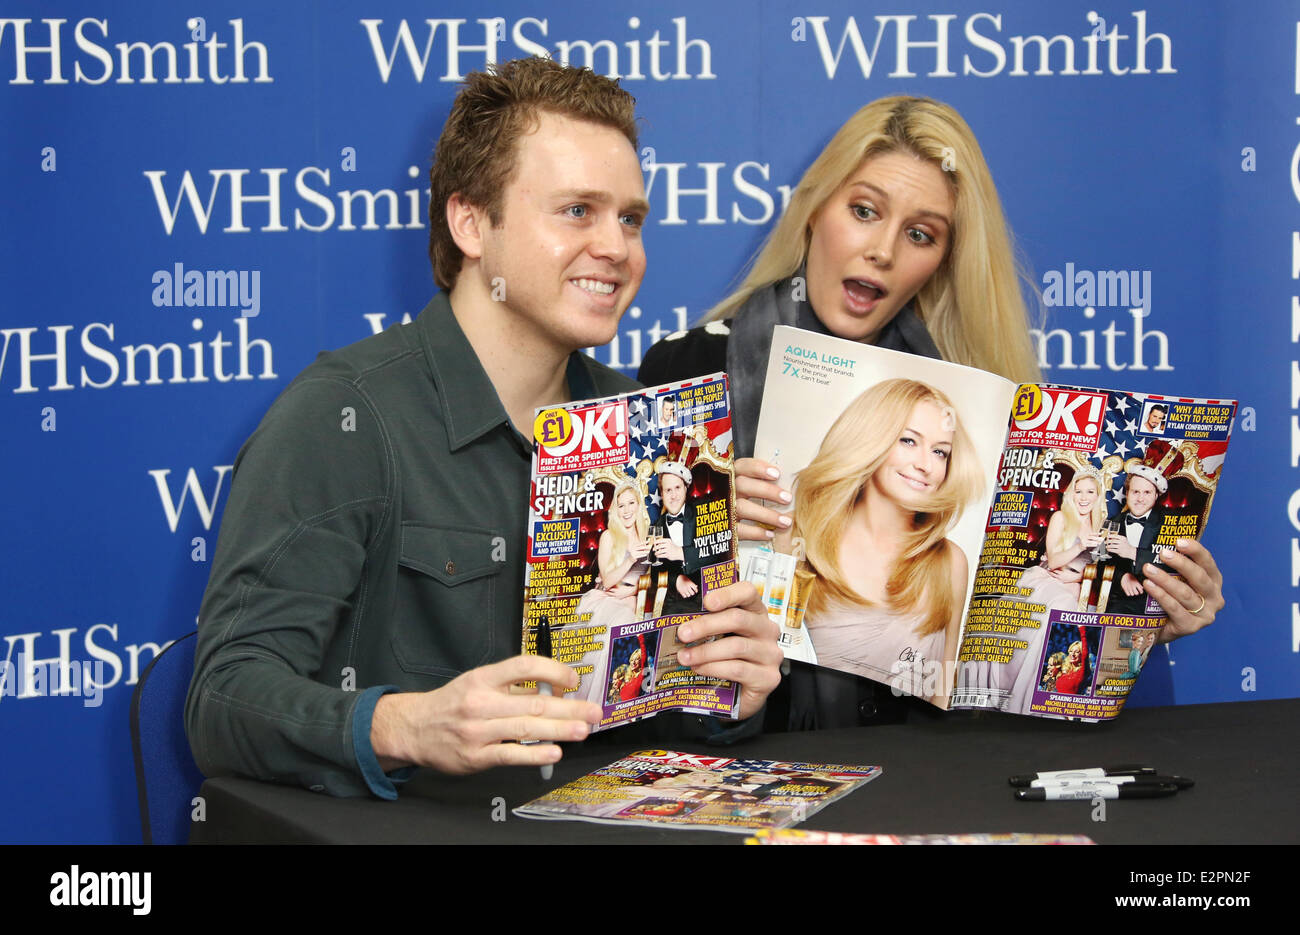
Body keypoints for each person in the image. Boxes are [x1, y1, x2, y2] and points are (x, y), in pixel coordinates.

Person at [185, 58, 781, 798]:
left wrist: (730, 692)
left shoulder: (649, 427)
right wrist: (403, 725)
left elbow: (656, 721)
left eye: (630, 218)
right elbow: (224, 700)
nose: (617, 248)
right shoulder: (344, 417)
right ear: (470, 221)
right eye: (577, 211)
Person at [638, 95, 1224, 728]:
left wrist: (1132, 630)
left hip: (931, 777)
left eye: (920, 234)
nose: (882, 251)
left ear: (943, 259)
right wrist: (710, 539)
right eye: (864, 211)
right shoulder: (688, 370)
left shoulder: (986, 404)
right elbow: (635, 660)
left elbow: (1011, 681)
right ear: (814, 210)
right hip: (747, 766)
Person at [781, 379, 982, 706]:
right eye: (908, 440)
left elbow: (941, 693)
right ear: (869, 439)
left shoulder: (949, 561)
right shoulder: (795, 536)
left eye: (940, 452)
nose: (925, 465)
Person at [1003, 469, 1106, 713]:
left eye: (1090, 492)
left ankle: (1053, 693)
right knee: (1056, 606)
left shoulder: (1101, 525)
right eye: (1078, 491)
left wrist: (1078, 576)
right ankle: (1023, 691)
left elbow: (1101, 566)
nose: (1083, 497)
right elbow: (1054, 560)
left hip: (1078, 584)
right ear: (1071, 494)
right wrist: (1080, 545)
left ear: (1098, 496)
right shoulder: (1061, 517)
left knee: (1072, 608)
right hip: (1048, 577)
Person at [573, 481, 650, 704]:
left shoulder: (648, 537)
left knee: (626, 622)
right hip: (605, 597)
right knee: (609, 631)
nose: (626, 510)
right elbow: (606, 580)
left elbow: (649, 578)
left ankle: (617, 704)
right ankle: (593, 705)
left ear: (639, 505)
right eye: (621, 505)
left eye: (631, 503)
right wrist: (631, 558)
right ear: (615, 510)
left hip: (631, 599)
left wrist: (633, 590)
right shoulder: (609, 535)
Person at [1105, 468, 1168, 615]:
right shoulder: (1112, 522)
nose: (1140, 499)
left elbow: (1173, 564)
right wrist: (1122, 577)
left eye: (1147, 493)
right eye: (1135, 492)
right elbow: (1099, 563)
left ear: (1156, 496)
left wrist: (1132, 553)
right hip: (1121, 600)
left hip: (1157, 598)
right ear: (1127, 494)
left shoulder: (1168, 522)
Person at [653, 461, 704, 614]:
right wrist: (677, 580)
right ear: (662, 494)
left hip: (706, 590)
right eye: (668, 490)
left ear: (686, 489)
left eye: (677, 488)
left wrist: (680, 553)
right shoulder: (657, 526)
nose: (673, 495)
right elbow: (655, 572)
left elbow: (717, 553)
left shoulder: (702, 513)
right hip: (675, 601)